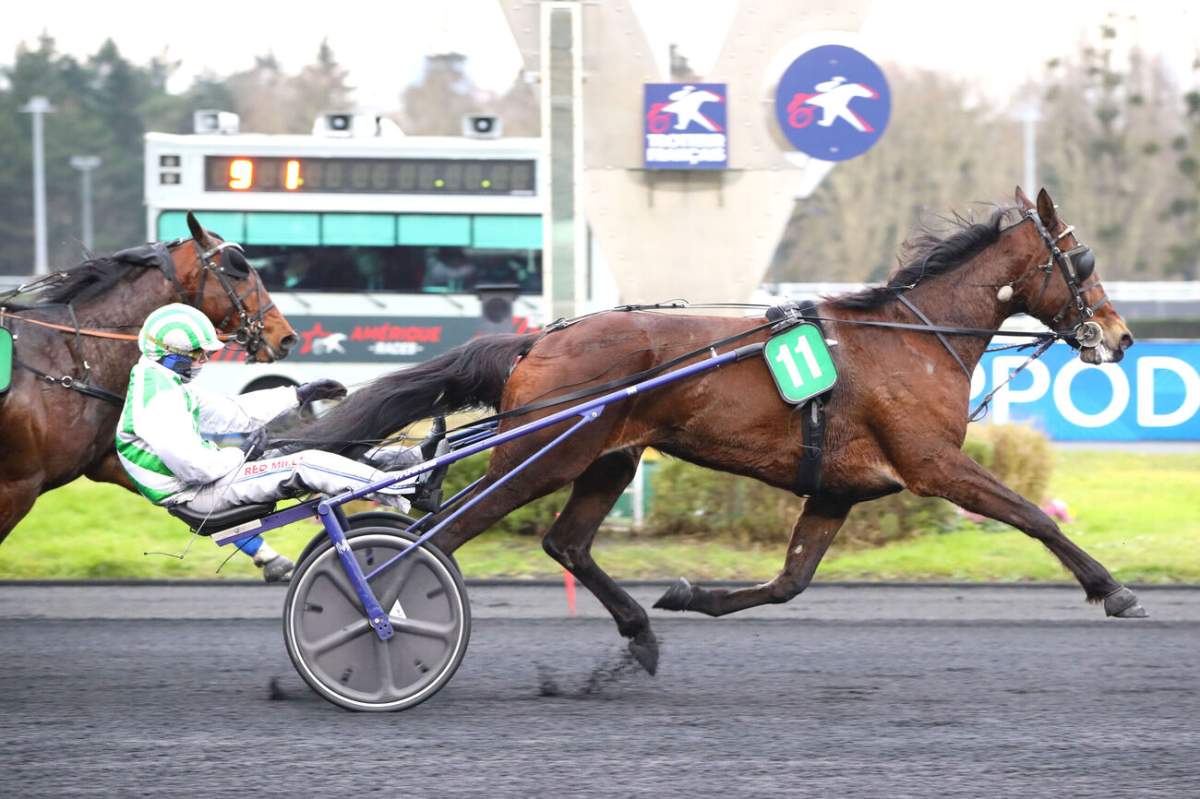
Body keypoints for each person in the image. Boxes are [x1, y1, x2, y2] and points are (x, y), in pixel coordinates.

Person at [115, 304, 426, 583]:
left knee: (303, 448)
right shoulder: (157, 397)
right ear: (170, 353)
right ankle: (401, 488)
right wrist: (241, 452)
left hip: (207, 483)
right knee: (306, 464)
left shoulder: (166, 383)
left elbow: (234, 414)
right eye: (198, 354)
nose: (204, 360)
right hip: (198, 495)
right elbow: (196, 467)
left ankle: (407, 460)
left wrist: (298, 395)